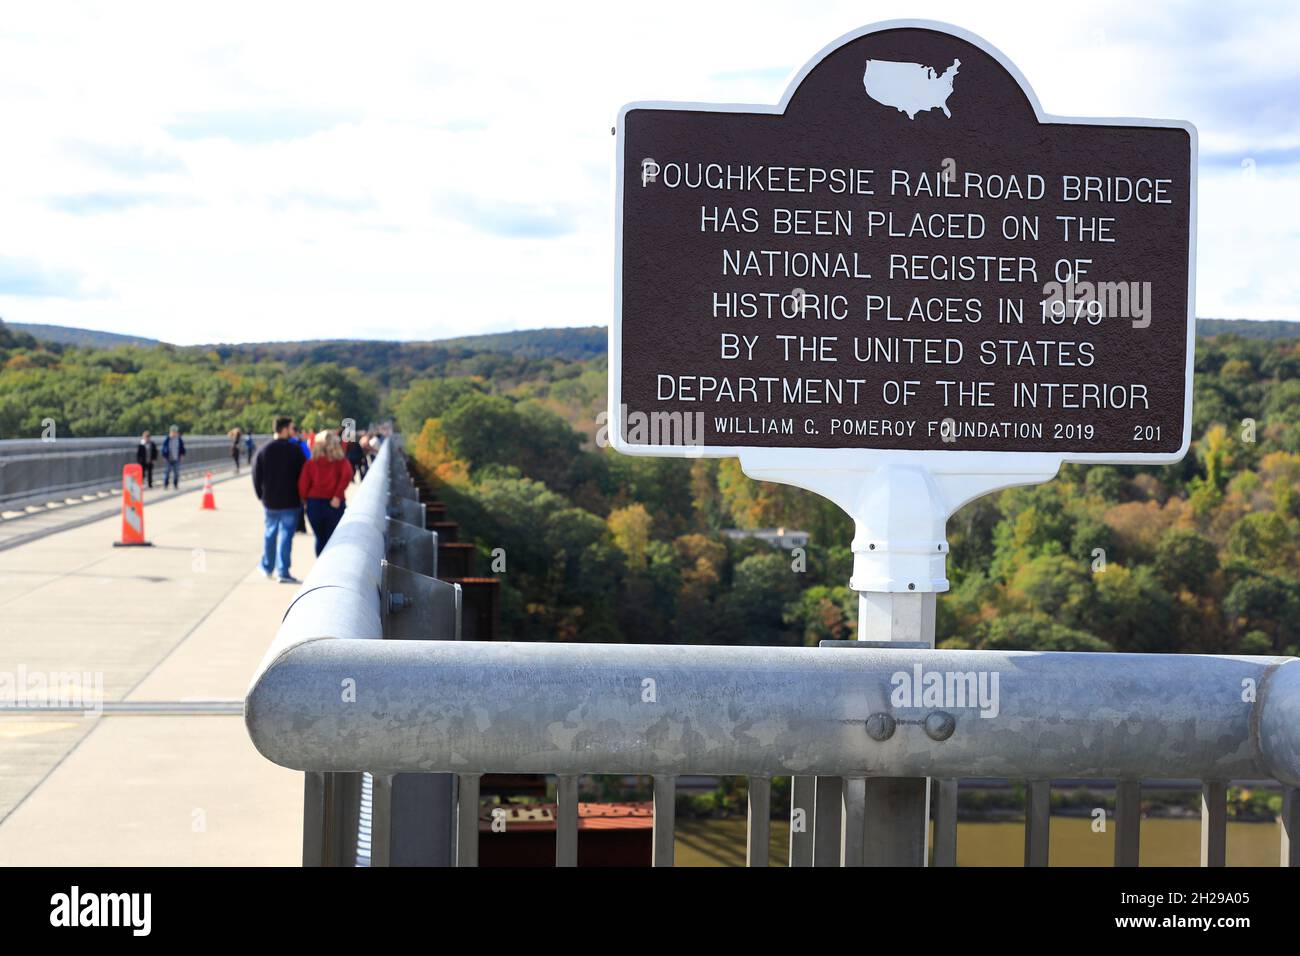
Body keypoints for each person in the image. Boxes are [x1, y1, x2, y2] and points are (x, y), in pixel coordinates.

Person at [252, 416, 307, 584]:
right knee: (286, 536)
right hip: (291, 501)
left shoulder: (263, 450)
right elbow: (304, 475)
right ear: (284, 429)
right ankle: (283, 571)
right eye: (291, 428)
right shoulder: (295, 450)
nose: (293, 431)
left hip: (270, 501)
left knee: (270, 534)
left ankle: (267, 567)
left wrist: (261, 495)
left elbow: (256, 474)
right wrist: (302, 497)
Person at [298, 430, 353, 555]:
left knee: (320, 539)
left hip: (314, 504)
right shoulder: (341, 462)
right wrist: (338, 496)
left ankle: (321, 569)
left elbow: (303, 485)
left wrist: (305, 500)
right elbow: (347, 476)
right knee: (333, 539)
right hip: (334, 503)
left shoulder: (311, 463)